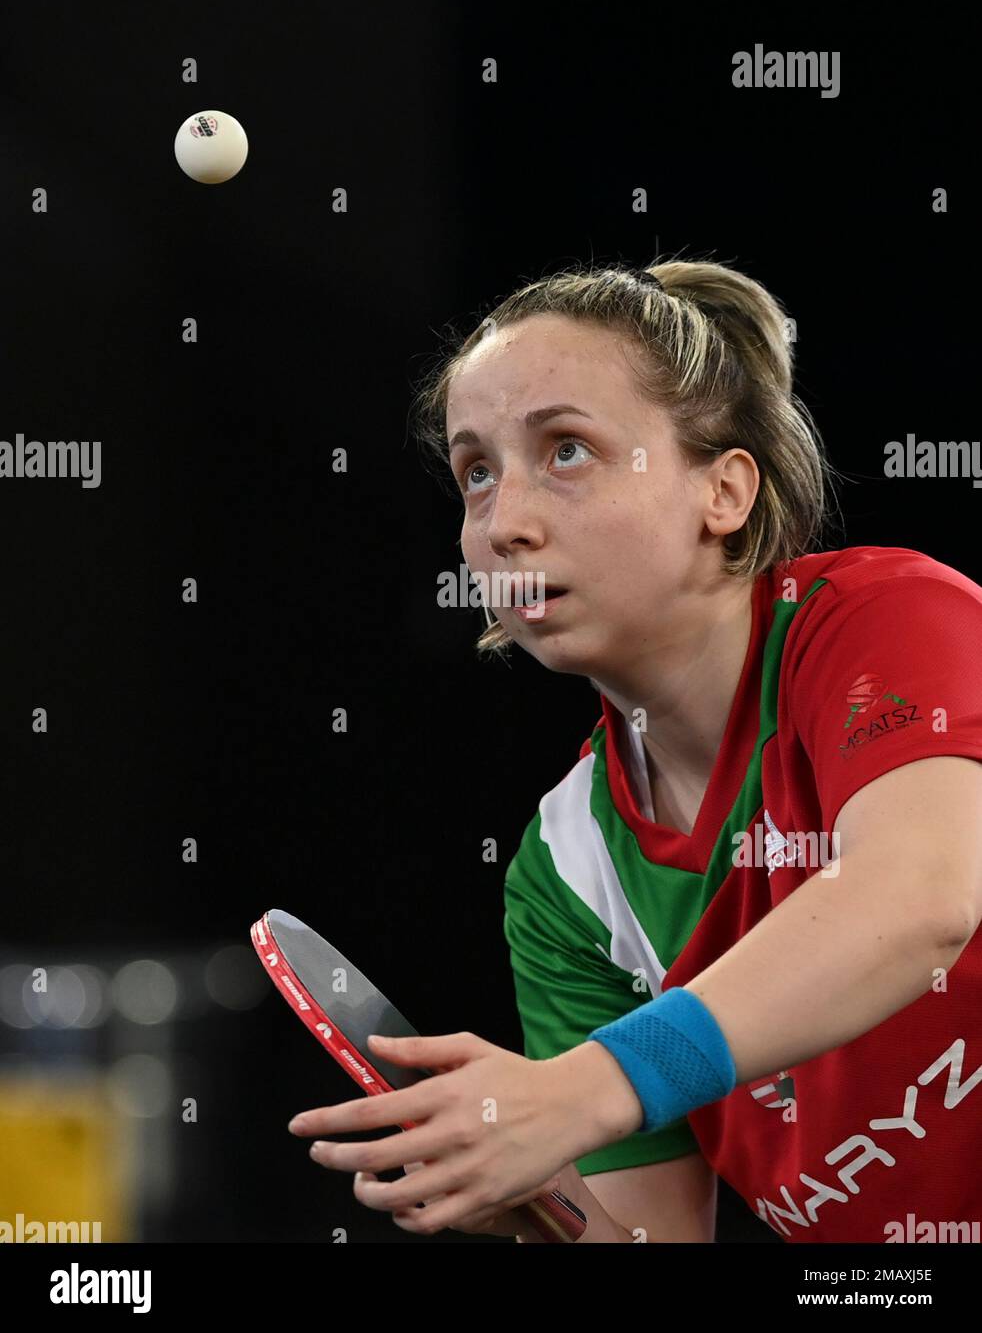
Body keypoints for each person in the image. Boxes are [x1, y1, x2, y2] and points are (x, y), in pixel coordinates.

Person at [288, 259, 982, 1243]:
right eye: (475, 471)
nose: (504, 523)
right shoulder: (566, 872)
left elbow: (919, 900)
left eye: (566, 450)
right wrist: (540, 1207)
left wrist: (587, 1086)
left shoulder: (882, 623)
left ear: (723, 490)